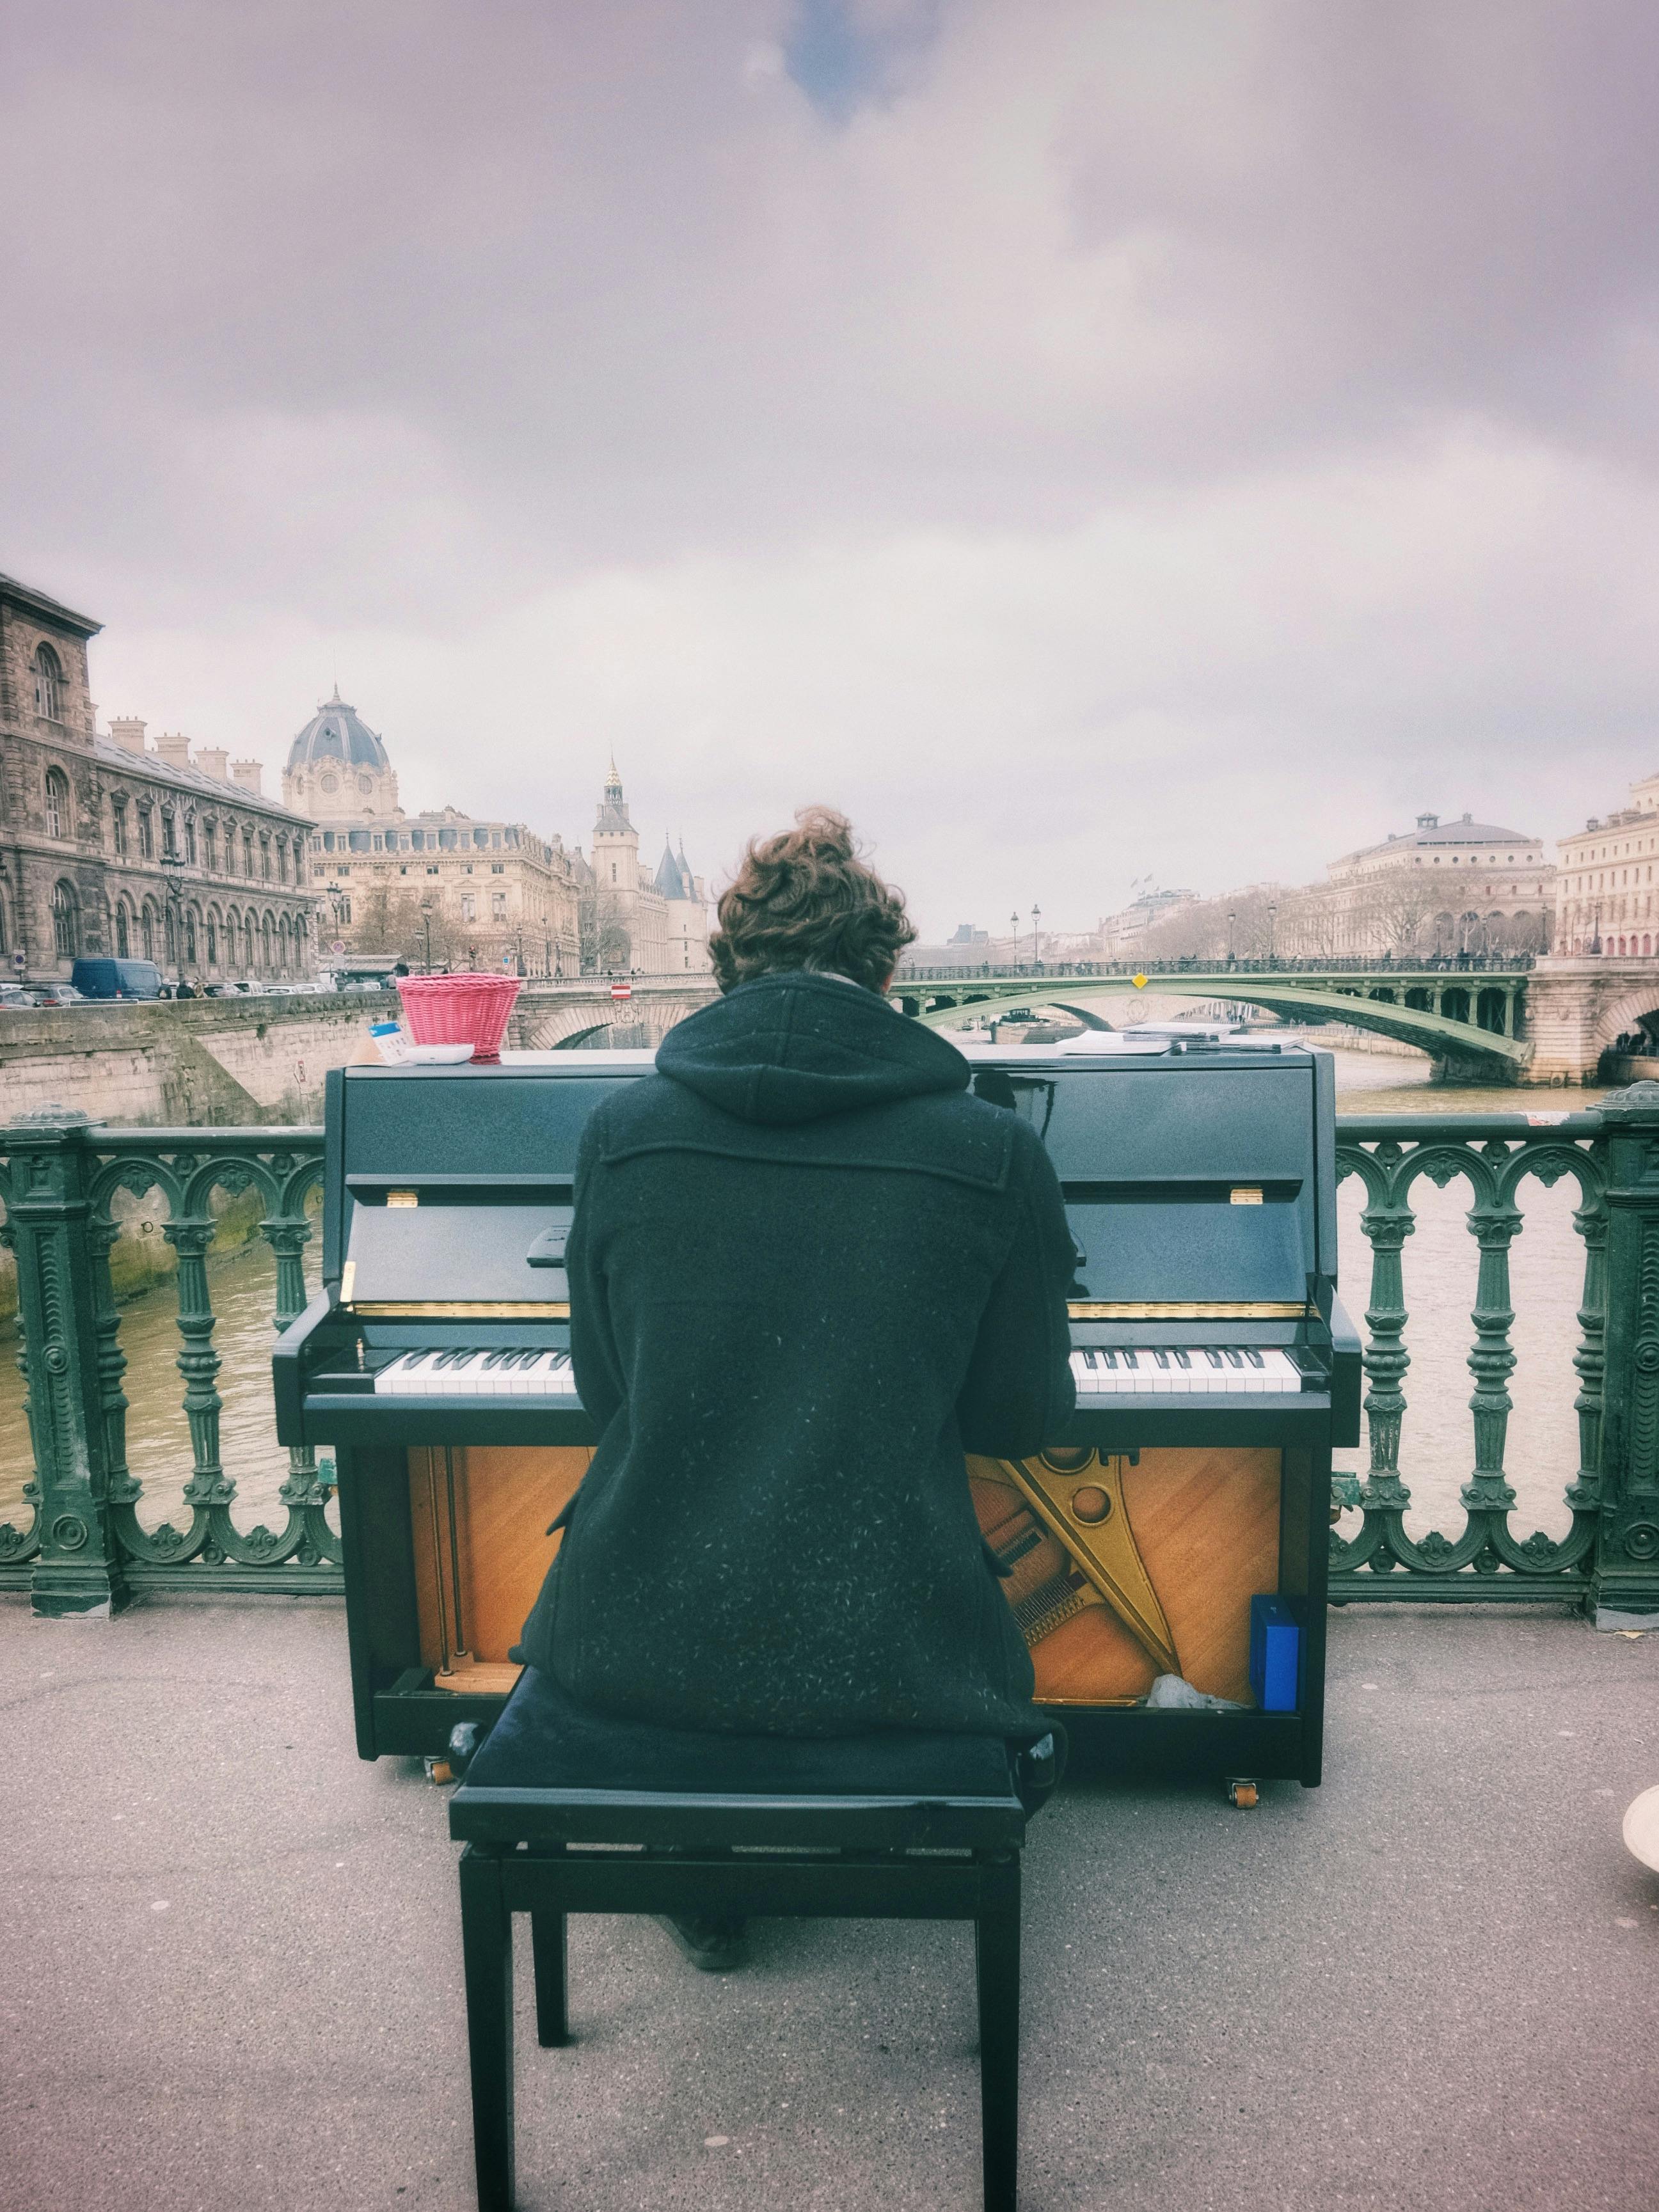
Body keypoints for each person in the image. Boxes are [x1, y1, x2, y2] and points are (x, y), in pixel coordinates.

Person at [516, 807, 1076, 1952]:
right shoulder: (992, 1149)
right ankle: (898, 1823)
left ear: (726, 969)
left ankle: (700, 1876)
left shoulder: (619, 1132)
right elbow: (1020, 1416)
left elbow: (603, 1397)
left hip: (637, 1629)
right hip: (895, 1641)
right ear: (886, 973)